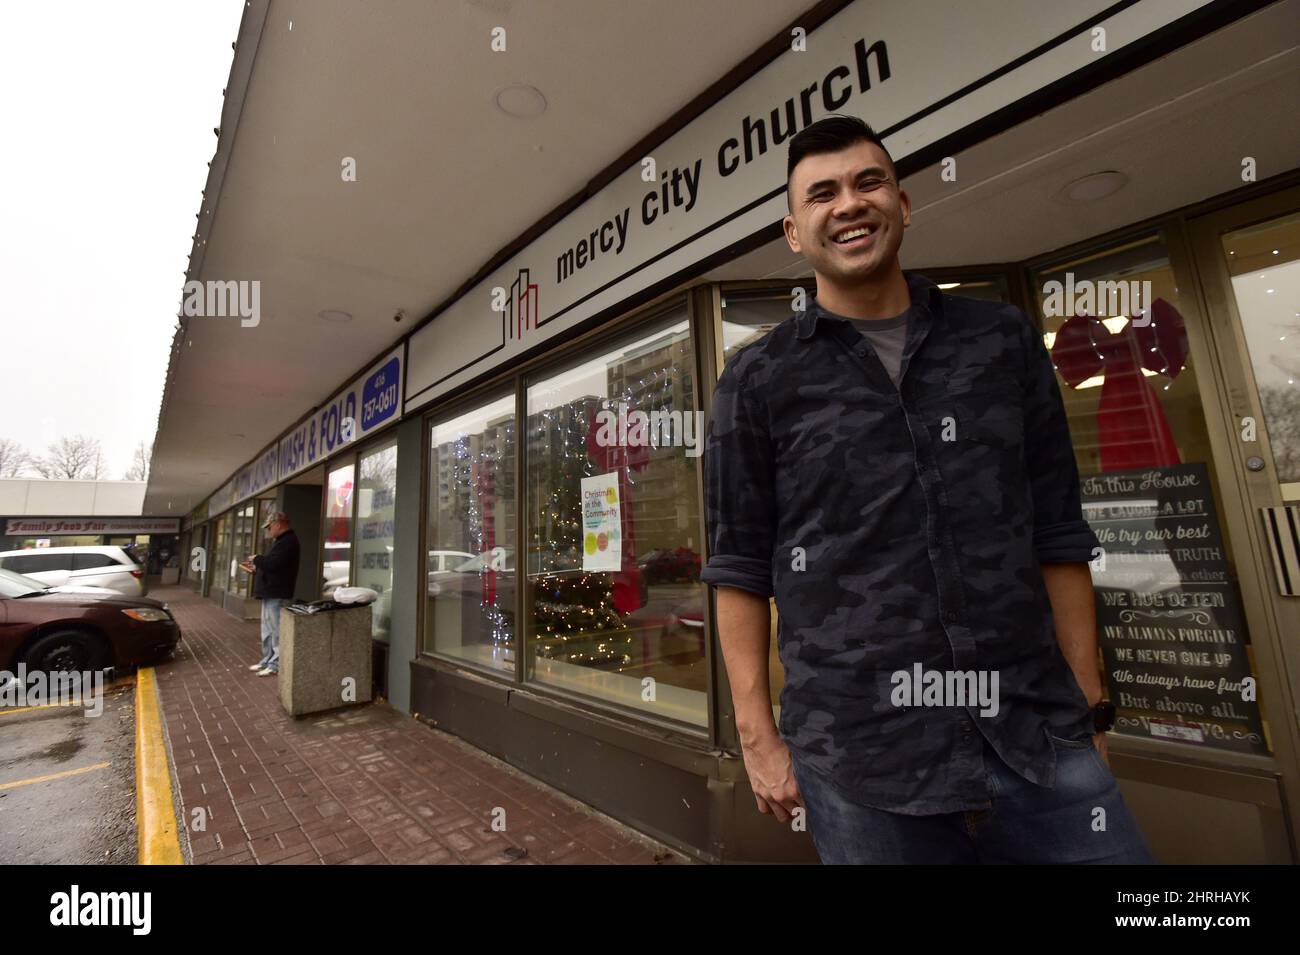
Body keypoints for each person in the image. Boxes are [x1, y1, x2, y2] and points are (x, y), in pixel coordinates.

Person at [700, 115, 1152, 864]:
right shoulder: (757, 380)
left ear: (903, 205)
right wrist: (756, 737)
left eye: (867, 182)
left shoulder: (1000, 341)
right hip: (860, 766)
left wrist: (1089, 704)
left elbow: (1059, 533)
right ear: (793, 230)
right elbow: (738, 566)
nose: (848, 203)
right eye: (822, 193)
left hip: (1039, 743)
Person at [241, 511, 300, 677]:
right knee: (267, 630)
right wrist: (257, 569)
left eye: (269, 527)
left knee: (276, 630)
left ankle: (275, 664)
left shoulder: (288, 542)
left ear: (278, 524)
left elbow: (273, 564)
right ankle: (267, 660)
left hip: (278, 593)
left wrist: (257, 559)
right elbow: (273, 566)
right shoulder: (281, 542)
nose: (268, 531)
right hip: (271, 593)